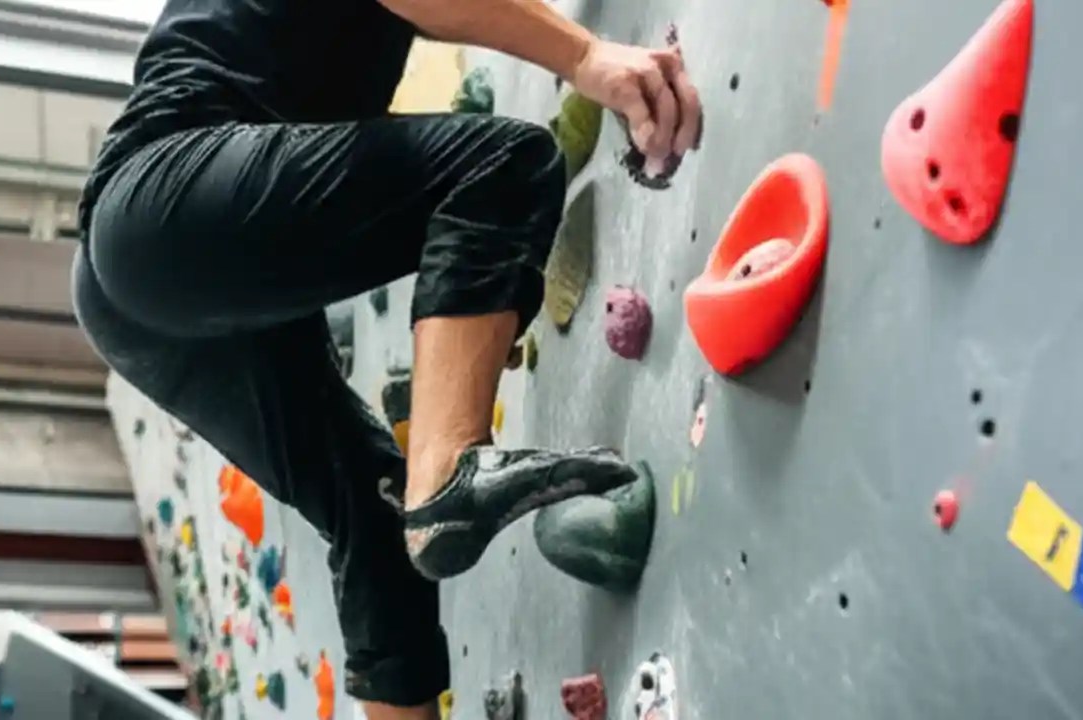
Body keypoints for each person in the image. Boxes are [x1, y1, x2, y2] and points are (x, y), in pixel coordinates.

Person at [71, 0, 702, 716]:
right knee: (500, 167)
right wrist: (587, 56)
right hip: (160, 203)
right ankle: (450, 470)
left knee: (371, 512)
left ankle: (434, 492)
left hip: (130, 283)